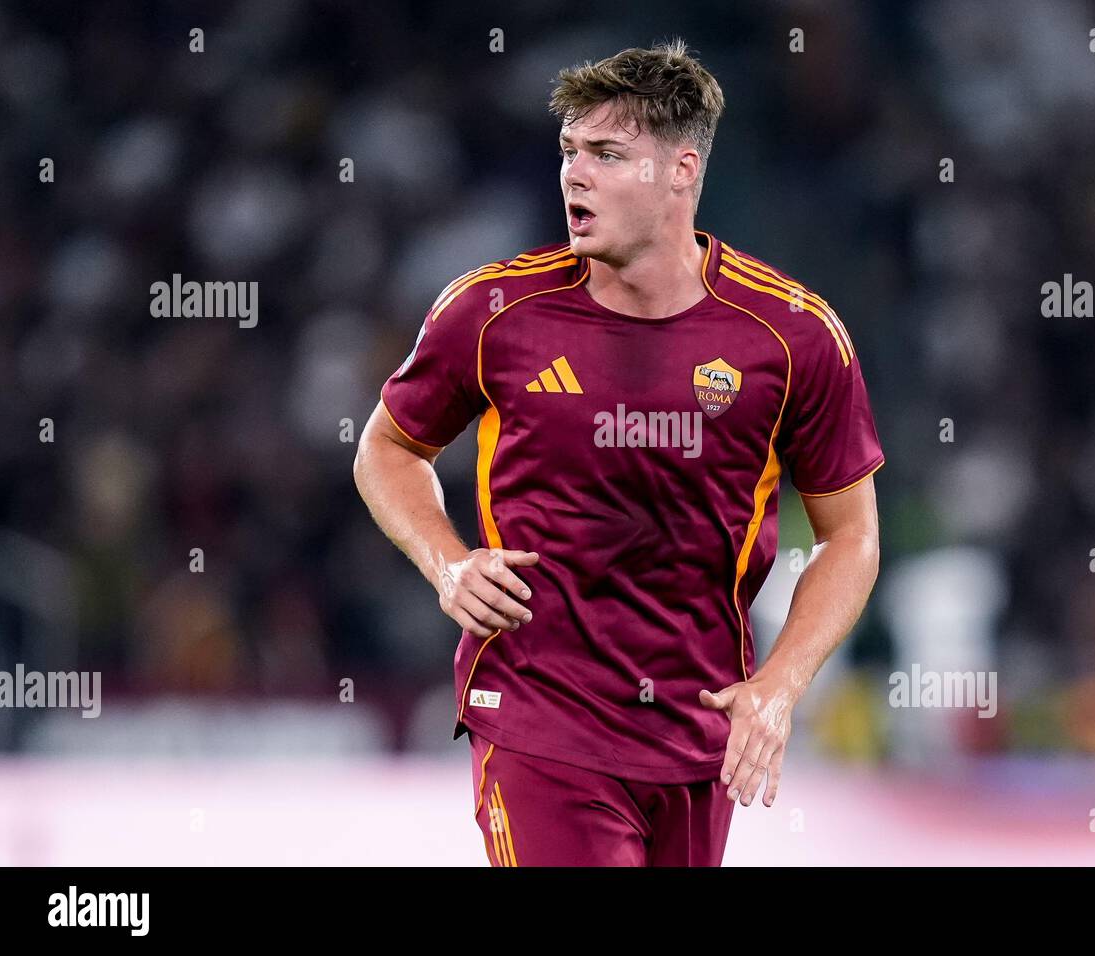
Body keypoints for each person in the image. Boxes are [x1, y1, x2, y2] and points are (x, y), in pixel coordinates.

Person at [353, 39, 884, 866]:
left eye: (606, 154)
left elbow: (850, 535)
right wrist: (447, 564)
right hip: (538, 715)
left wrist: (779, 688)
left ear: (681, 170)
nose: (574, 174)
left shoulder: (792, 336)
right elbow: (386, 447)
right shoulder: (493, 312)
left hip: (698, 734)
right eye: (569, 150)